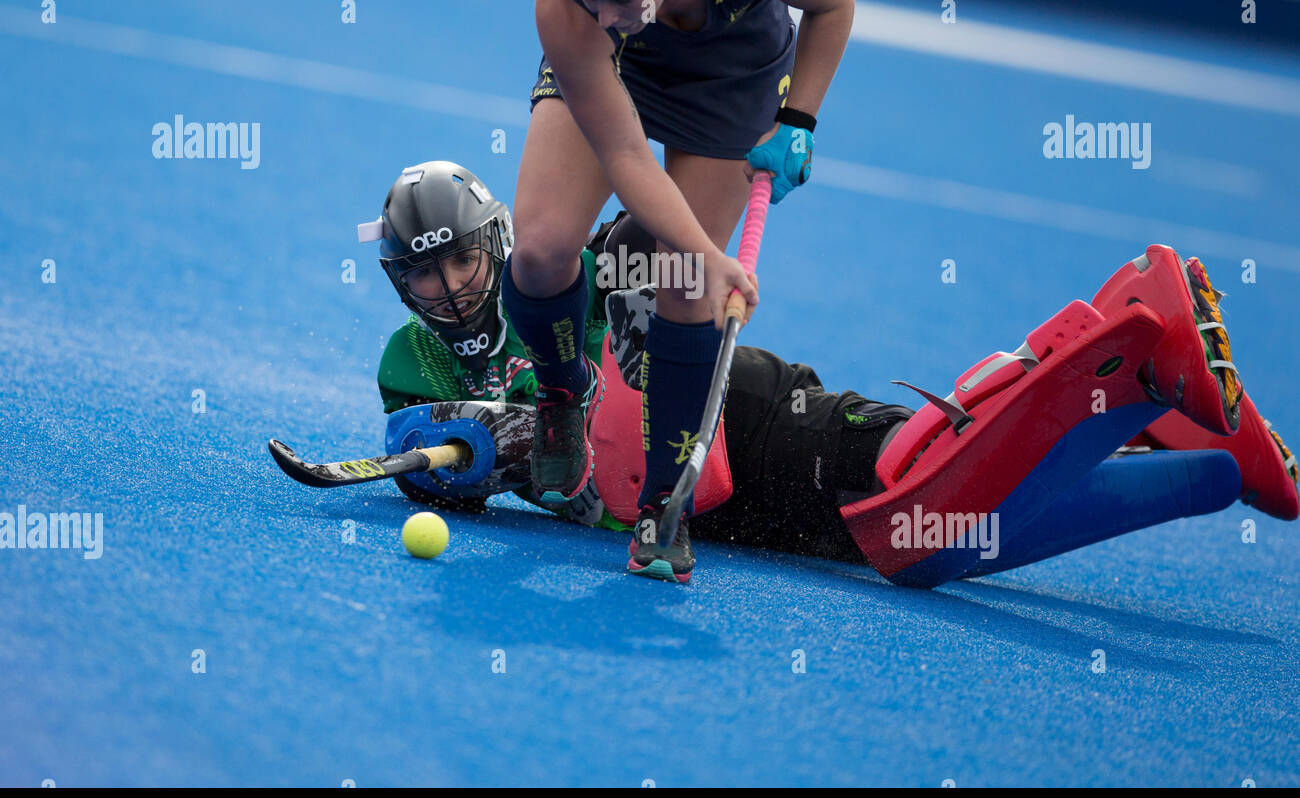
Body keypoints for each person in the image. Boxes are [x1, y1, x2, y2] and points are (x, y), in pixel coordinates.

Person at [361, 161, 1298, 586]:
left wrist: (682, 260)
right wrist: (441, 448)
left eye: (462, 263)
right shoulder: (407, 361)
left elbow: (661, 272)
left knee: (912, 470)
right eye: (423, 273)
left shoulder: (558, 281)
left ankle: (1128, 329)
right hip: (719, 521)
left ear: (497, 246)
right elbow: (447, 460)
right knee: (930, 539)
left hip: (751, 421)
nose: (446, 289)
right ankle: (1170, 435)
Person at [498, 0, 855, 577]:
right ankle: (562, 391)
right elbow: (627, 153)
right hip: (619, 77)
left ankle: (666, 503)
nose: (605, 13)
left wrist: (798, 118)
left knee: (685, 285)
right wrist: (707, 251)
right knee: (539, 251)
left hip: (733, 84)